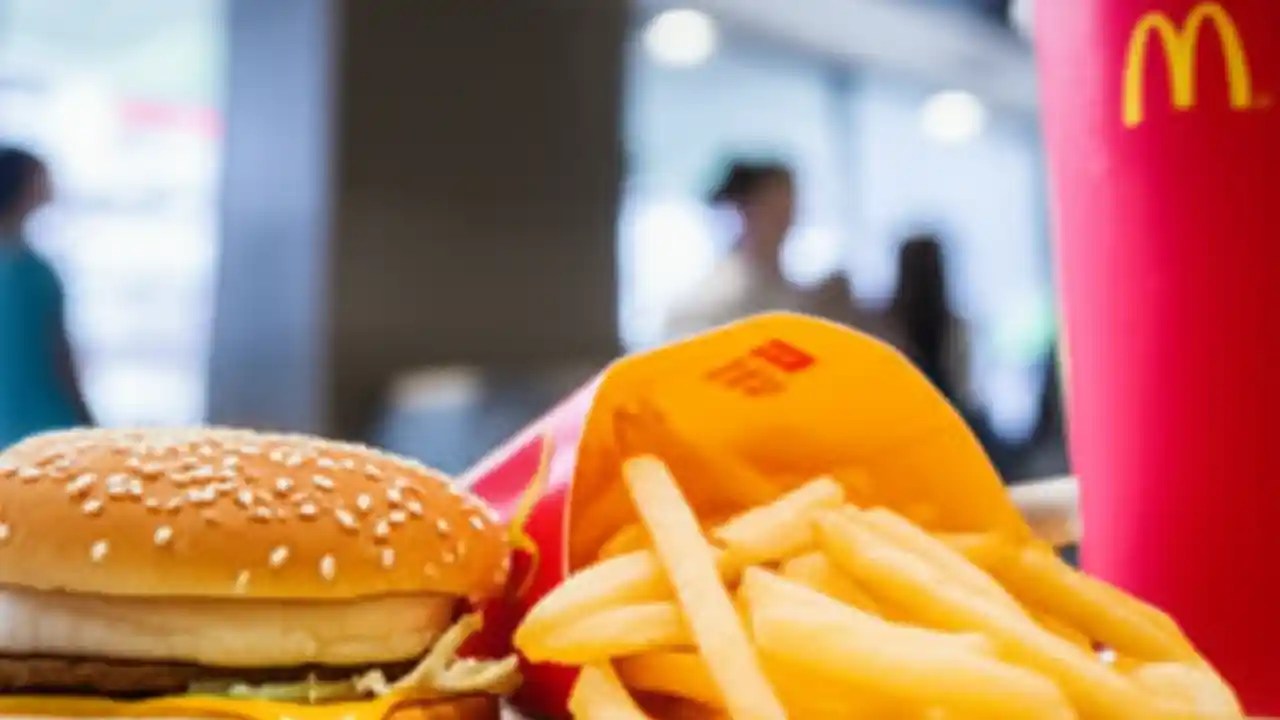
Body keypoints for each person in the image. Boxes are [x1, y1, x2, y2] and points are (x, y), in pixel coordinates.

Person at [662, 161, 861, 339]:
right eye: (774, 205)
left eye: (790, 205)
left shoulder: (795, 294)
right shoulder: (711, 299)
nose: (786, 218)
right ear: (746, 208)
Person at [0, 147, 92, 447]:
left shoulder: (32, 269)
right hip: (42, 421)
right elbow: (59, 355)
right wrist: (86, 419)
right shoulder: (33, 273)